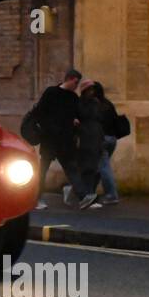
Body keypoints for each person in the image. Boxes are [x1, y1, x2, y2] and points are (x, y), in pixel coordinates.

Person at [33, 68, 95, 209]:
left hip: (65, 141)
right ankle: (36, 199)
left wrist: (76, 121)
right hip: (50, 139)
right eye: (76, 83)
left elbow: (77, 114)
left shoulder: (73, 98)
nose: (76, 86)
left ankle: (83, 197)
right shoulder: (51, 92)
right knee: (43, 170)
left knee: (71, 168)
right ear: (71, 79)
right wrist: (48, 128)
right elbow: (41, 113)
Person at [75, 81, 106, 209]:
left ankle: (89, 194)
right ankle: (87, 196)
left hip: (96, 137)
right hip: (86, 138)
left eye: (93, 90)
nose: (92, 92)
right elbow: (82, 116)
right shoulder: (80, 103)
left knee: (95, 169)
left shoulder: (95, 103)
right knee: (88, 169)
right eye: (90, 90)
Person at [92, 81, 122, 205]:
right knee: (100, 166)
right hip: (112, 139)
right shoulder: (108, 103)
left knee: (104, 167)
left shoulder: (95, 105)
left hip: (102, 139)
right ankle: (90, 191)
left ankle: (112, 195)